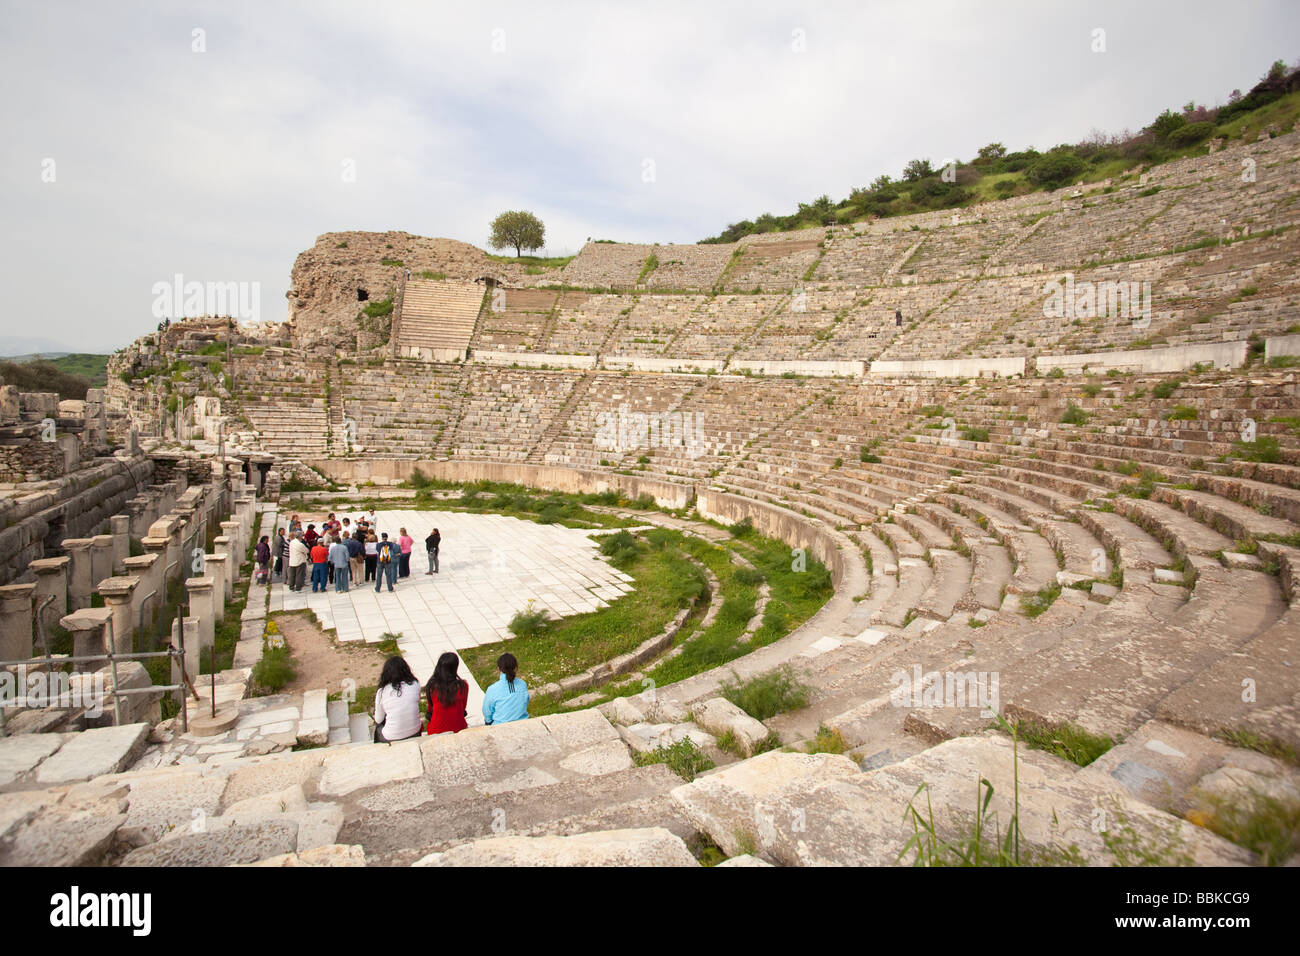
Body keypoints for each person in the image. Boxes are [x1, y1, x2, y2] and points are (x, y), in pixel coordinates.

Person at [373, 656, 423, 743]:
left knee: (378, 727)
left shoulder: (382, 692)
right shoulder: (415, 684)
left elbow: (378, 719)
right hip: (415, 731)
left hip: (391, 736)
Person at [425, 652, 468, 735]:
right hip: (458, 728)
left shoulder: (432, 686)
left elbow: (430, 709)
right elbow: (463, 707)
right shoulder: (463, 686)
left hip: (436, 730)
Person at [482, 652, 529, 725]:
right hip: (522, 723)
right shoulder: (523, 684)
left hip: (500, 726)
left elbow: (487, 711)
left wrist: (488, 721)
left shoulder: (492, 689)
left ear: (499, 669)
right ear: (516, 667)